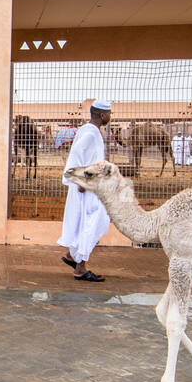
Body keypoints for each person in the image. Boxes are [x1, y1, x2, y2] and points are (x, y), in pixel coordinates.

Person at [59, 99, 113, 281]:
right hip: (86, 187)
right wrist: (82, 181)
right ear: (102, 115)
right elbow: (77, 155)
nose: (110, 117)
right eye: (109, 114)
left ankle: (72, 255)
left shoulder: (89, 131)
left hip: (91, 186)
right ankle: (80, 267)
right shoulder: (90, 133)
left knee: (90, 221)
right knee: (92, 223)